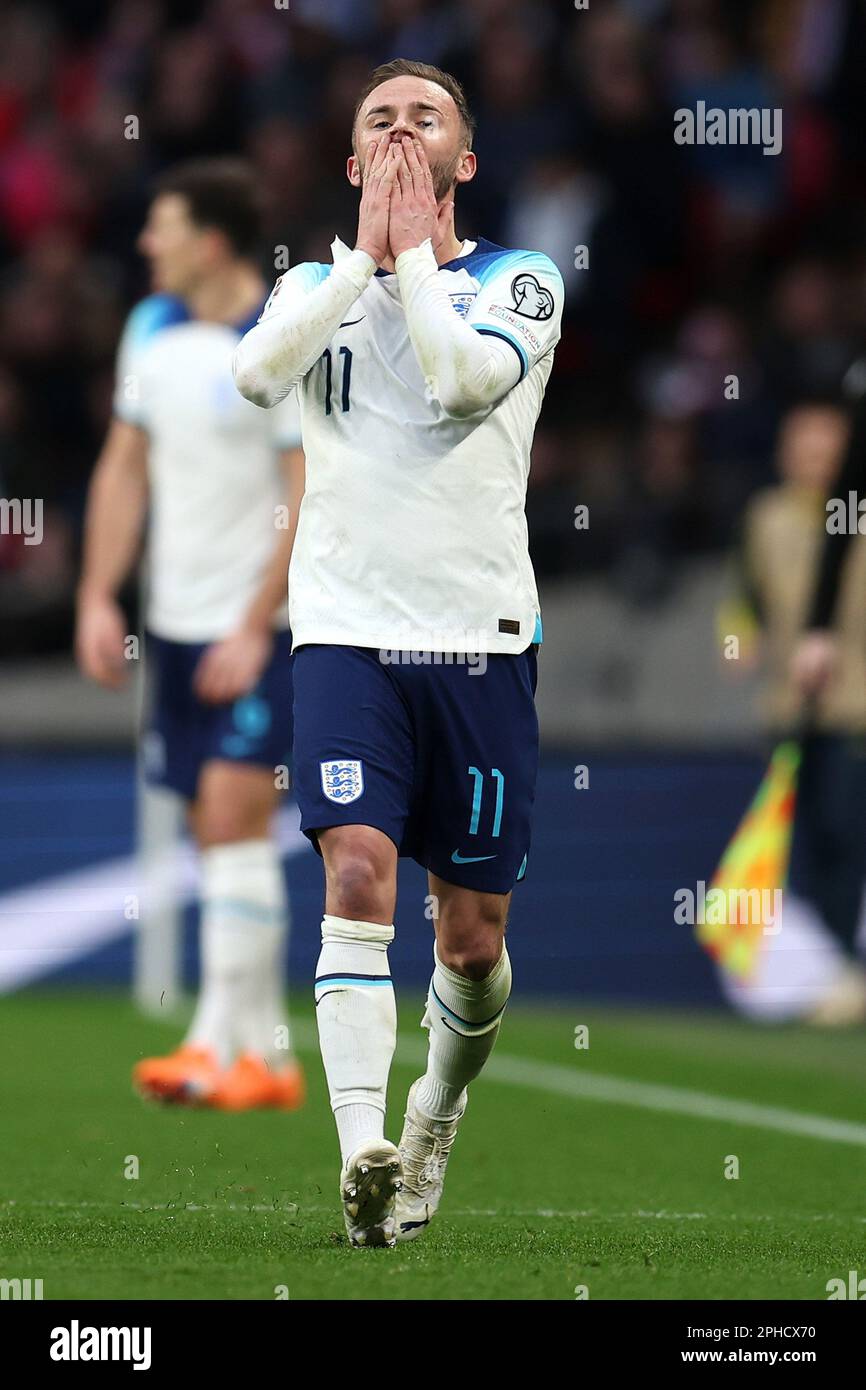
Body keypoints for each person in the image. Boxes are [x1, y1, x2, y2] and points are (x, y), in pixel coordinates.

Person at [234, 59, 564, 1244]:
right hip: (344, 634)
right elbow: (256, 375)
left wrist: (410, 258)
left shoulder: (520, 282)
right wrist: (358, 267)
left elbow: (458, 378)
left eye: (426, 118)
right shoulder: (308, 290)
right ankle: (361, 1149)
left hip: (476, 641)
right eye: (378, 119)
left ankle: (431, 1109)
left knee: (470, 943)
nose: (400, 132)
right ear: (351, 160)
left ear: (462, 162)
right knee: (355, 873)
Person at [76, 159, 306, 1111]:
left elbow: (306, 492)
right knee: (216, 840)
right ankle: (270, 1059)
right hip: (172, 628)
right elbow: (124, 468)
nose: (144, 243)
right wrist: (99, 594)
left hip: (264, 627)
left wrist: (258, 625)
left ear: (210, 242)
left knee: (230, 816)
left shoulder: (280, 338)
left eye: (161, 227)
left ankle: (214, 1043)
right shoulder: (151, 326)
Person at [723, 399, 866, 1023]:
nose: (811, 460)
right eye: (801, 446)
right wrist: (737, 635)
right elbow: (744, 595)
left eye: (824, 448)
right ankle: (821, 975)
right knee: (798, 840)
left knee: (842, 833)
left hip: (855, 705)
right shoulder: (766, 516)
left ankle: (842, 971)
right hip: (788, 708)